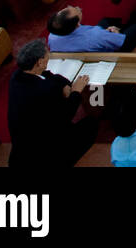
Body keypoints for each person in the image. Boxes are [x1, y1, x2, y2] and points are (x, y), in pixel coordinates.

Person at [7, 39, 98, 168]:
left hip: (23, 145)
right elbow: (66, 114)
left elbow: (49, 75)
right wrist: (76, 92)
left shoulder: (17, 77)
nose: (49, 57)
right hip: (45, 153)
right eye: (46, 55)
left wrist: (64, 85)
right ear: (39, 62)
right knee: (91, 124)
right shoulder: (46, 90)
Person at [46, 5, 136, 52]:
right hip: (114, 50)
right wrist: (116, 33)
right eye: (77, 10)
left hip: (90, 44)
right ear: (76, 24)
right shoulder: (96, 35)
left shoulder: (53, 36)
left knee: (105, 21)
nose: (77, 7)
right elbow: (119, 41)